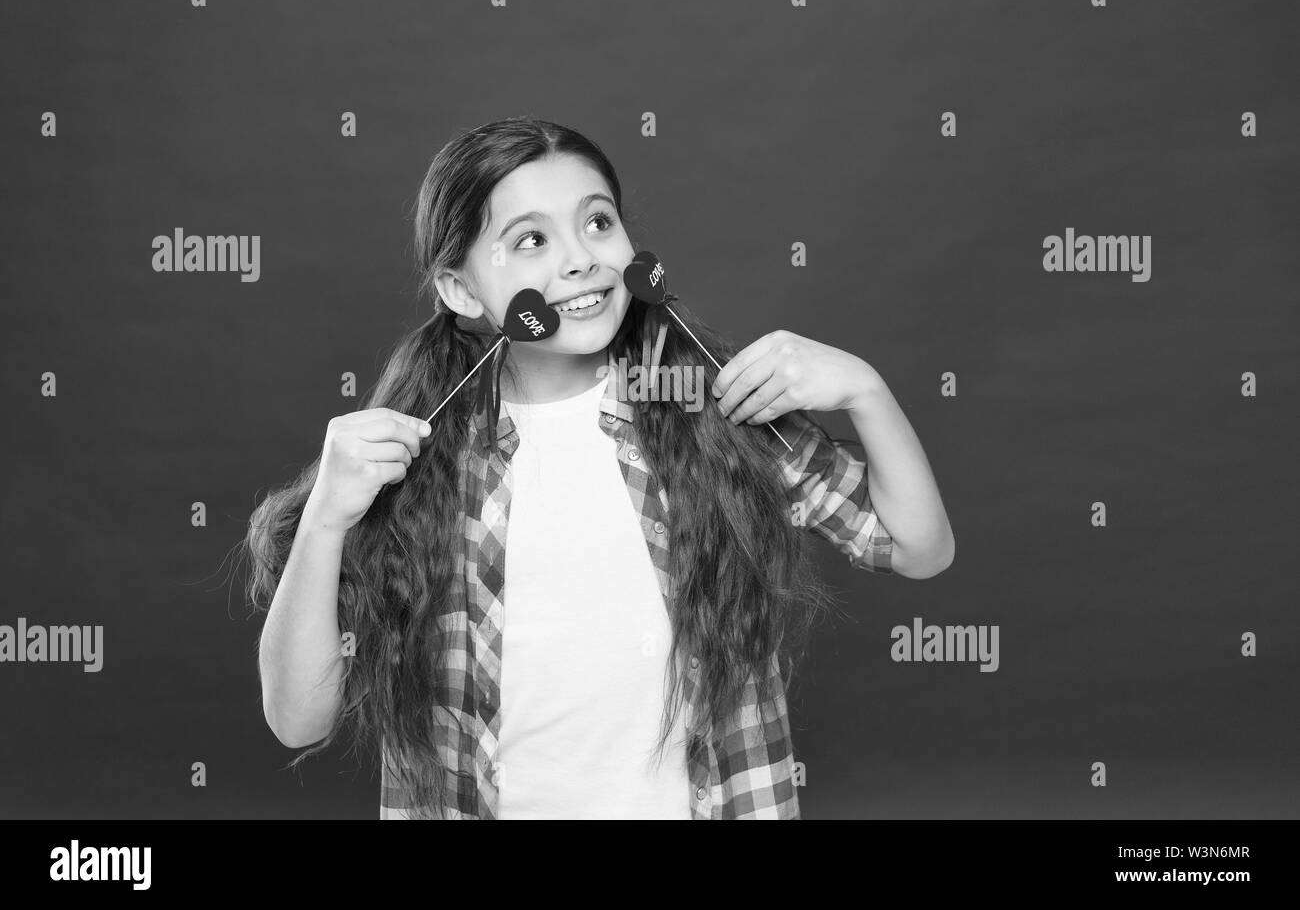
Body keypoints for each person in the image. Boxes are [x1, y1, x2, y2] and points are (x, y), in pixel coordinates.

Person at [242, 116, 955, 819]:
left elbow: (918, 548)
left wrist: (866, 389)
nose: (580, 258)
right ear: (461, 291)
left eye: (598, 223)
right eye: (531, 240)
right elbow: (299, 718)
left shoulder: (715, 412)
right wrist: (325, 519)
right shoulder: (417, 460)